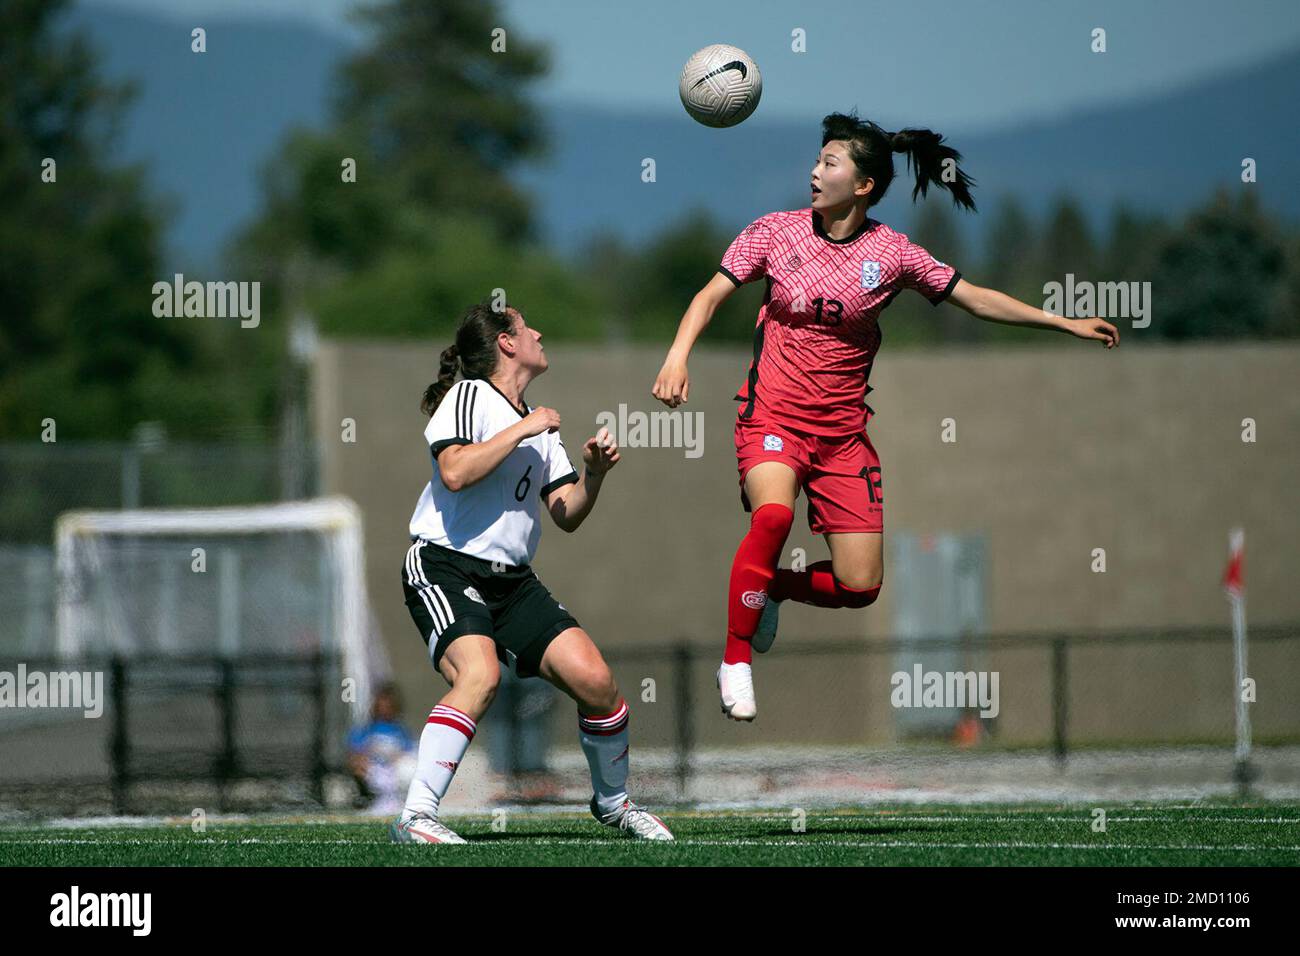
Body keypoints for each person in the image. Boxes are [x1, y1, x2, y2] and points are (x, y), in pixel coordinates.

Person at [651, 111, 1119, 721]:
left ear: (864, 185)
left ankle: (772, 588)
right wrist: (677, 356)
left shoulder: (892, 253)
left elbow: (974, 297)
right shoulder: (773, 233)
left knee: (859, 587)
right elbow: (709, 295)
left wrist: (1064, 321)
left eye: (829, 164)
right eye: (816, 161)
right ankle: (734, 659)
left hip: (843, 437)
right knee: (772, 517)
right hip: (772, 416)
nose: (813, 173)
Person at [392, 300, 673, 843]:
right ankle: (416, 815)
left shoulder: (539, 424)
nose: (538, 333)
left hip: (512, 580)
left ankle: (614, 805)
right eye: (526, 328)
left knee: (598, 684)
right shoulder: (469, 396)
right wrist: (523, 428)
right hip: (445, 564)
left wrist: (593, 476)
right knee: (480, 675)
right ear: (504, 342)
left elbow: (566, 513)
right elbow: (453, 471)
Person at [346, 682, 416, 815]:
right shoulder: (365, 729)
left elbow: (409, 752)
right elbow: (354, 751)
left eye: (388, 705)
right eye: (381, 704)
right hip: (374, 769)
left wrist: (395, 756)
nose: (385, 708)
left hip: (393, 770)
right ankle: (367, 800)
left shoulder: (401, 730)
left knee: (408, 768)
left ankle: (400, 801)